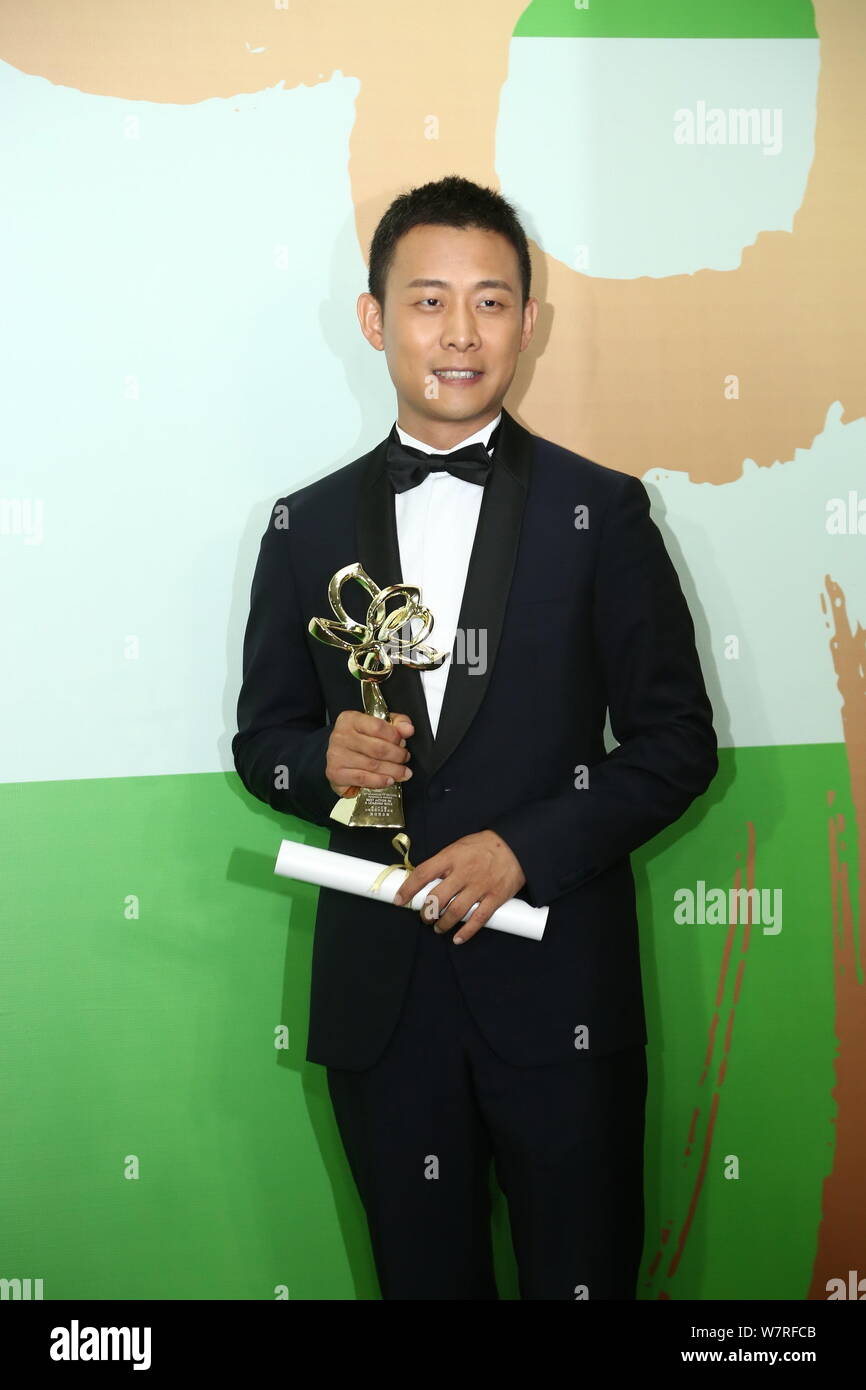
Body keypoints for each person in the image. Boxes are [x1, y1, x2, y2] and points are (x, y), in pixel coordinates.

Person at [232, 174, 718, 1300]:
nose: (459, 334)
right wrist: (320, 764)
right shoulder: (301, 525)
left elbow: (672, 742)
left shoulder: (601, 511)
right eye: (427, 301)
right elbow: (265, 739)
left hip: (559, 1000)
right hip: (383, 1010)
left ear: (528, 322)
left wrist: (525, 848)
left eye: (491, 302)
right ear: (374, 319)